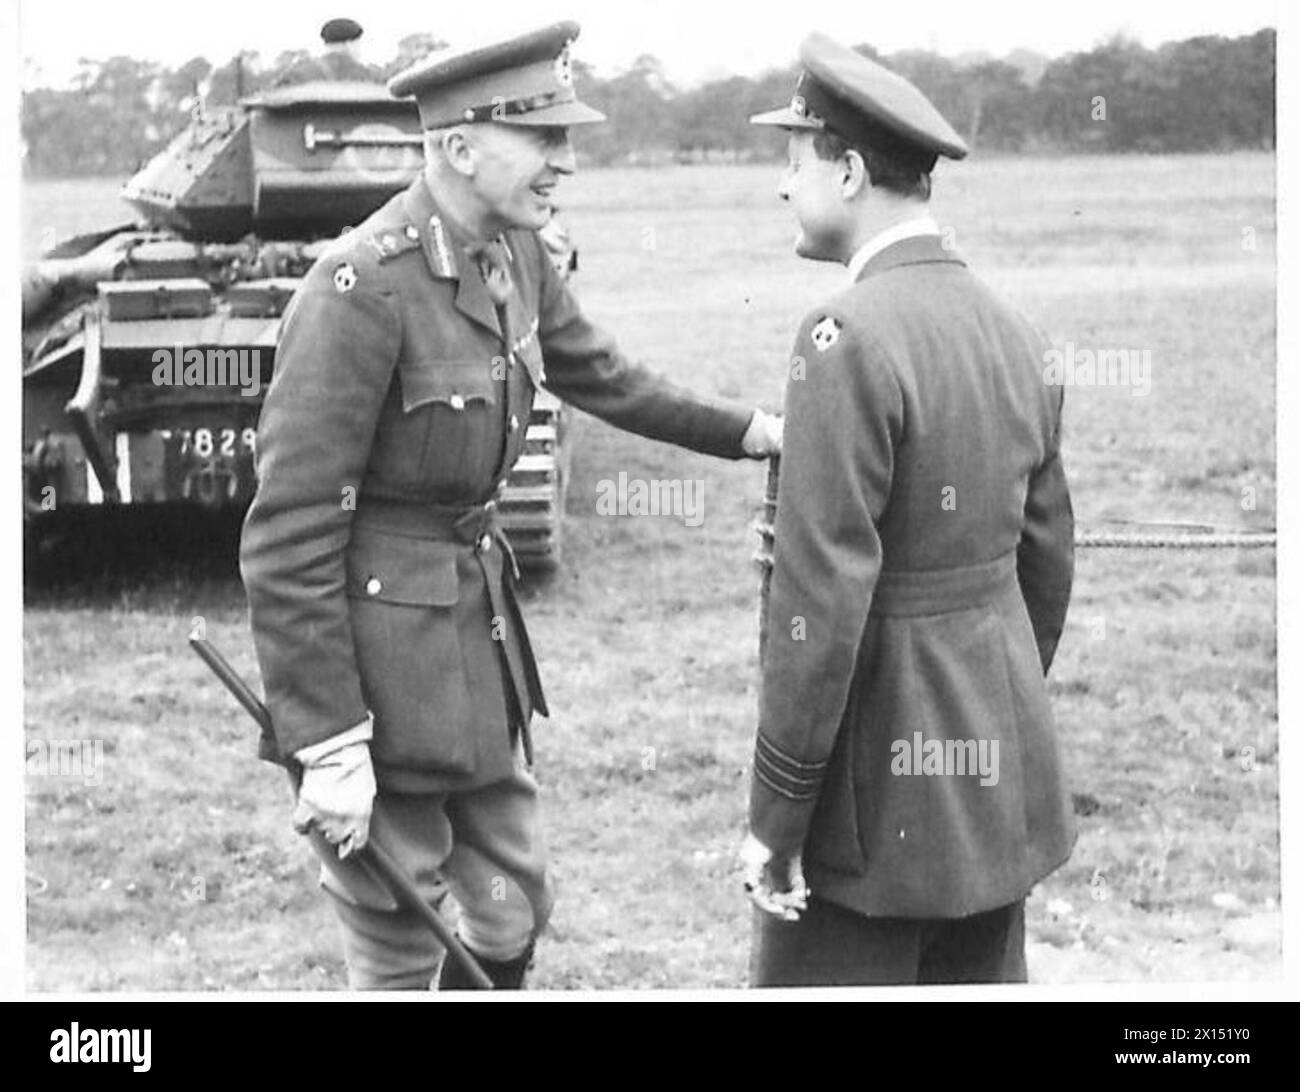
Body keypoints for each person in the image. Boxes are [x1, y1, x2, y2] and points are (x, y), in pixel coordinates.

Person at [239, 21, 782, 991]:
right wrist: (326, 740)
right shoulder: (360, 287)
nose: (564, 162)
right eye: (543, 139)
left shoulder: (514, 256)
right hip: (380, 671)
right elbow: (289, 532)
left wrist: (749, 430)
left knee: (511, 909)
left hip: (478, 651)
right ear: (457, 146)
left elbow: (604, 375)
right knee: (399, 927)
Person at [739, 32, 1076, 986]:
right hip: (996, 791)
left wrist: (776, 819)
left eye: (793, 160)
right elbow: (1047, 561)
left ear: (847, 172)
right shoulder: (1018, 329)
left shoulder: (842, 335)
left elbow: (819, 603)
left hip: (866, 814)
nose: (781, 187)